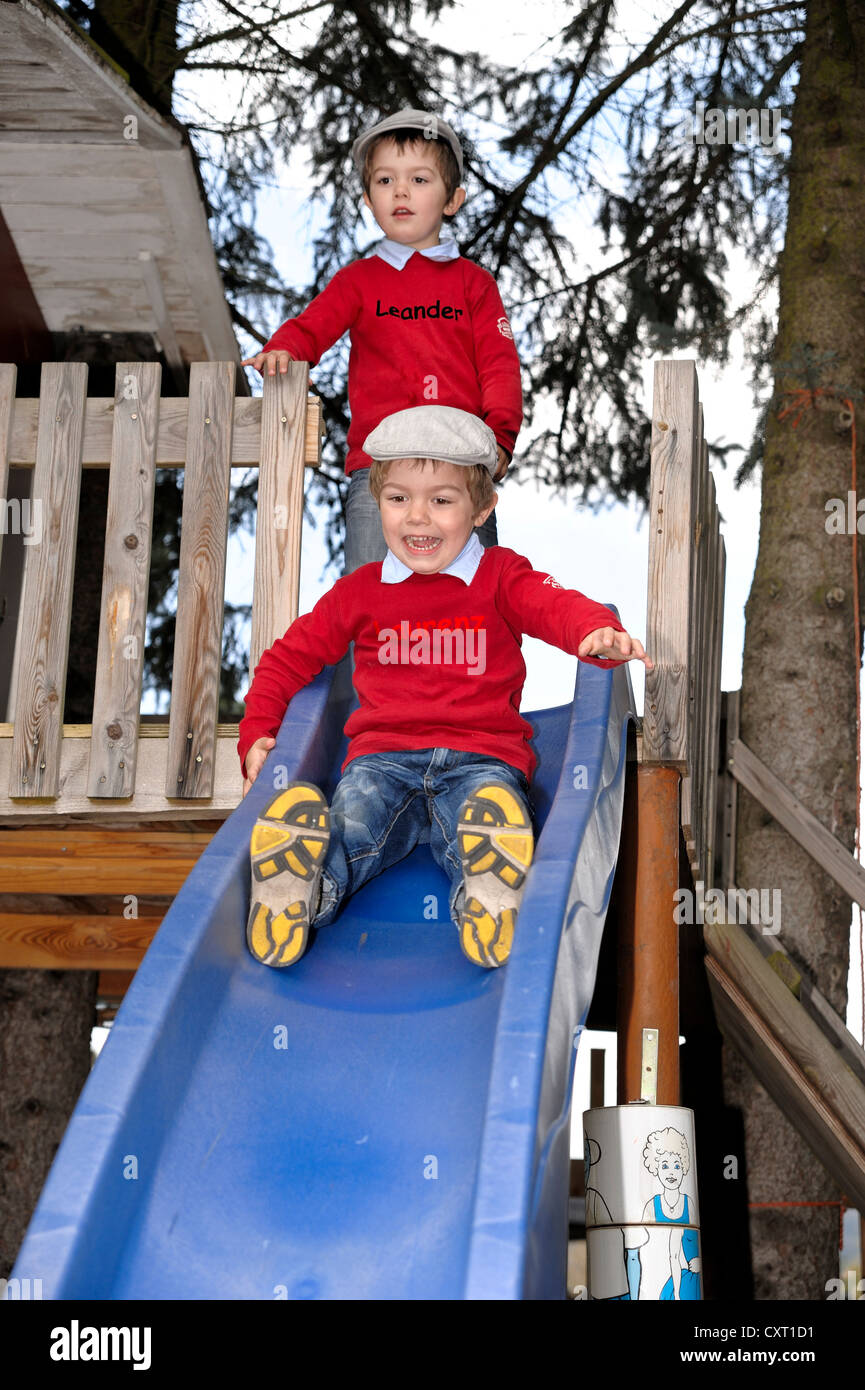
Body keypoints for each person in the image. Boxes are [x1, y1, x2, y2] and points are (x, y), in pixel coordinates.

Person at [238, 406, 652, 972]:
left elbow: (551, 602)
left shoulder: (500, 574)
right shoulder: (360, 591)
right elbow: (288, 657)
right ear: (377, 503)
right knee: (355, 823)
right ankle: (301, 890)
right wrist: (258, 729)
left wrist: (592, 631)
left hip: (481, 759)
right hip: (381, 761)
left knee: (480, 824)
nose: (417, 519)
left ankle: (486, 896)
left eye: (441, 500)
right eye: (399, 499)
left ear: (481, 508)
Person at [240, 108, 522, 571]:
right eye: (386, 181)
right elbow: (311, 327)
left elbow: (499, 366)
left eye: (419, 179)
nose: (402, 191)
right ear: (369, 202)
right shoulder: (359, 282)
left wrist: (501, 441)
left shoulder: (475, 284)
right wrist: (284, 349)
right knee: (368, 597)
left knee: (472, 604)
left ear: (453, 199)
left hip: (461, 463)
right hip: (380, 469)